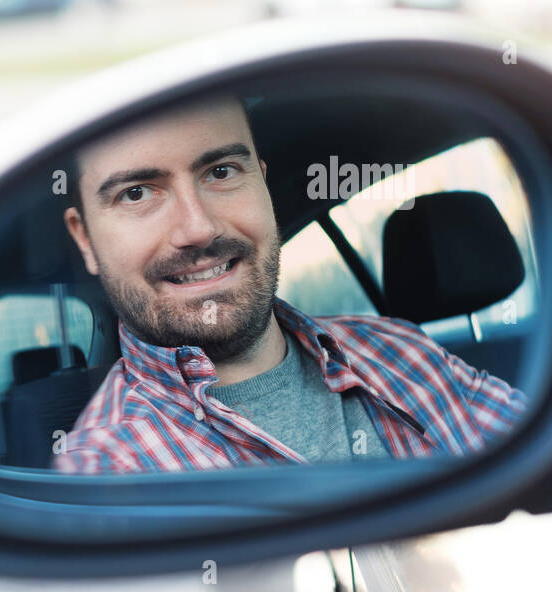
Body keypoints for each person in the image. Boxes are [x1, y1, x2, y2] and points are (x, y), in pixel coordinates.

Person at [53, 94, 526, 473]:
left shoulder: (404, 351)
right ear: (85, 239)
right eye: (136, 193)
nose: (198, 228)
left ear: (262, 185)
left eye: (221, 172)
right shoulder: (102, 475)